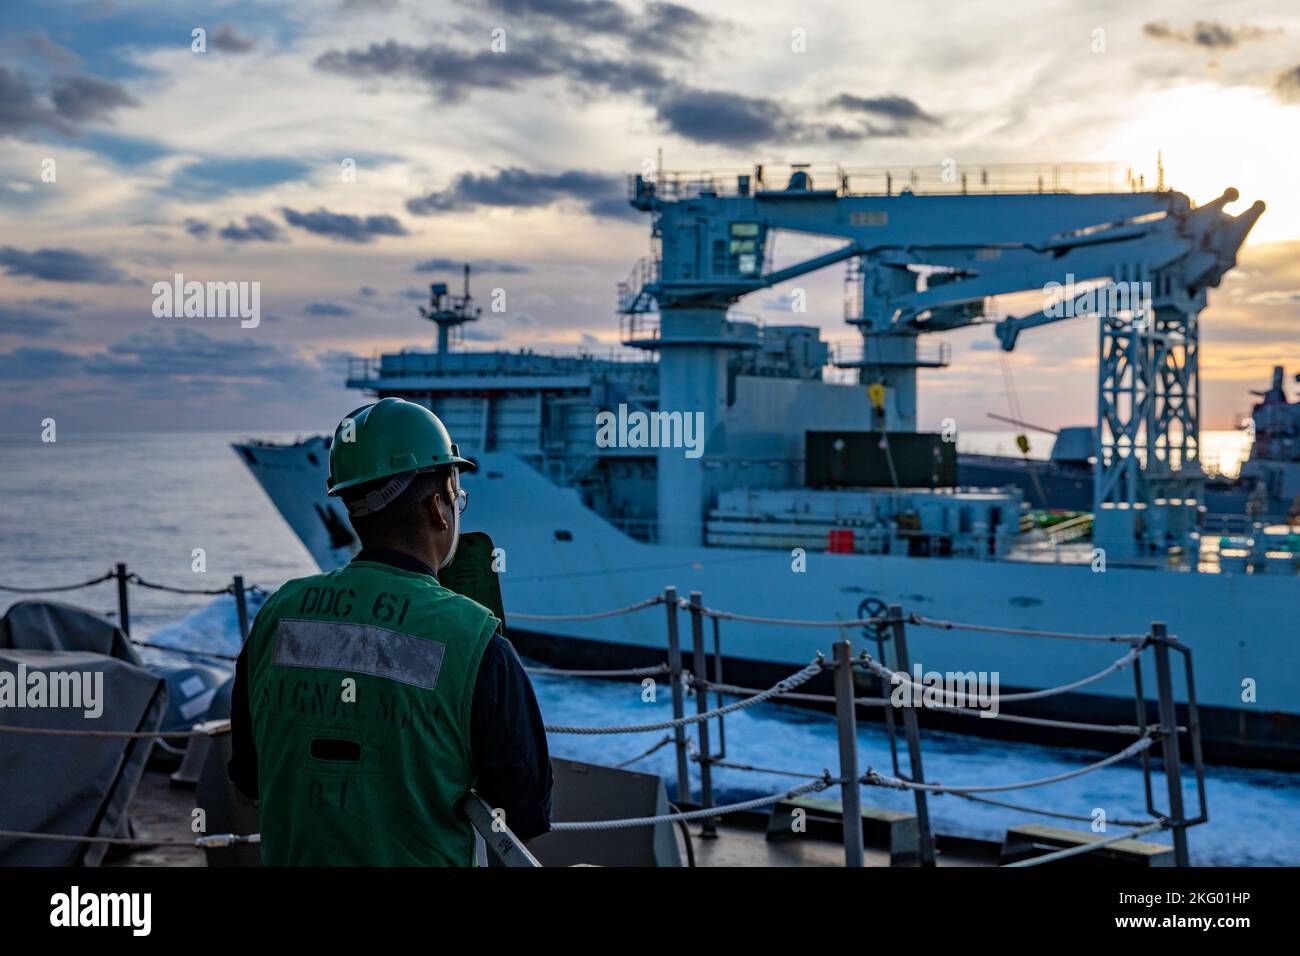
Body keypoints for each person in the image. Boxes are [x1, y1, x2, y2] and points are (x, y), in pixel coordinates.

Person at [228, 397, 552, 865]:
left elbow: (249, 776)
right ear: (440, 509)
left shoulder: (276, 615)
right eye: (456, 495)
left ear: (352, 509)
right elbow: (525, 813)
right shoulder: (477, 640)